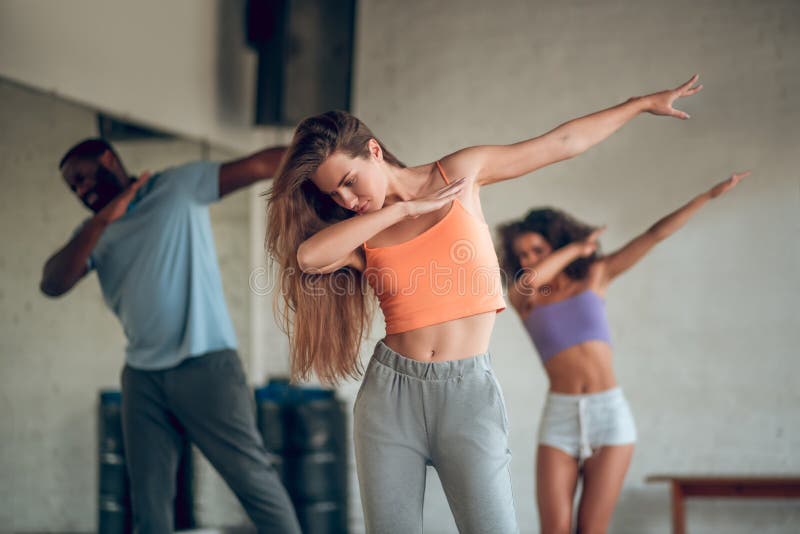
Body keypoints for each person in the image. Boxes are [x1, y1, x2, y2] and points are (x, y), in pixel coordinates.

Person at [266, 75, 703, 533]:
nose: (348, 200)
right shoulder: (364, 229)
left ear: (373, 150)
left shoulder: (458, 174)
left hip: (467, 392)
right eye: (334, 194)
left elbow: (562, 142)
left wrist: (638, 104)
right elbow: (309, 257)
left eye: (350, 182)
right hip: (390, 395)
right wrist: (400, 211)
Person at [40, 139, 301, 533]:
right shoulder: (94, 233)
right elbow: (52, 283)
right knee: (149, 506)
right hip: (143, 379)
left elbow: (261, 164)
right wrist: (100, 222)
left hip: (206, 367)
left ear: (108, 160)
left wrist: (329, 157)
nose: (79, 191)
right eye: (71, 188)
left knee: (253, 482)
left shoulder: (176, 188)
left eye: (81, 178)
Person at [498, 170, 750, 534]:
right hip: (560, 418)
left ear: (551, 243)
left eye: (538, 249)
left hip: (609, 414)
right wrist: (574, 250)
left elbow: (653, 235)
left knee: (592, 529)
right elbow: (530, 281)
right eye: (523, 254)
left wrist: (708, 196)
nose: (531, 259)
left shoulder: (595, 277)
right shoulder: (525, 300)